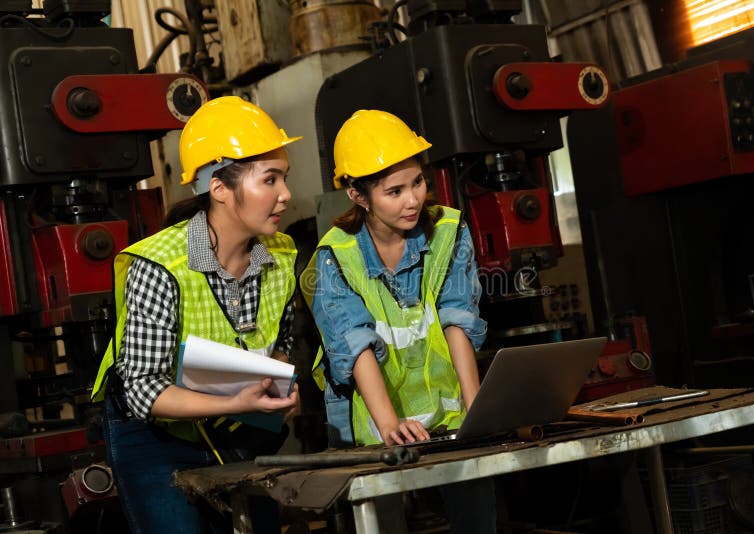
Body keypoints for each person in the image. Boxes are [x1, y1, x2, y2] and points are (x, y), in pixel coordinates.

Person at [91, 96, 301, 534]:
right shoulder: (160, 265)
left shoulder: (281, 254)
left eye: (284, 177)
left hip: (238, 425)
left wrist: (279, 388)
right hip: (154, 436)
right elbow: (143, 392)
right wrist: (237, 402)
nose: (285, 194)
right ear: (219, 188)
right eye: (270, 179)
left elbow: (279, 343)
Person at [300, 109, 496, 532]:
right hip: (371, 428)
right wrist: (388, 426)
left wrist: (476, 408)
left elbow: (457, 319)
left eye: (418, 182)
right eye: (395, 191)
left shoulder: (448, 231)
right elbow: (353, 343)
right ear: (358, 195)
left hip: (449, 417)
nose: (413, 200)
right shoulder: (335, 257)